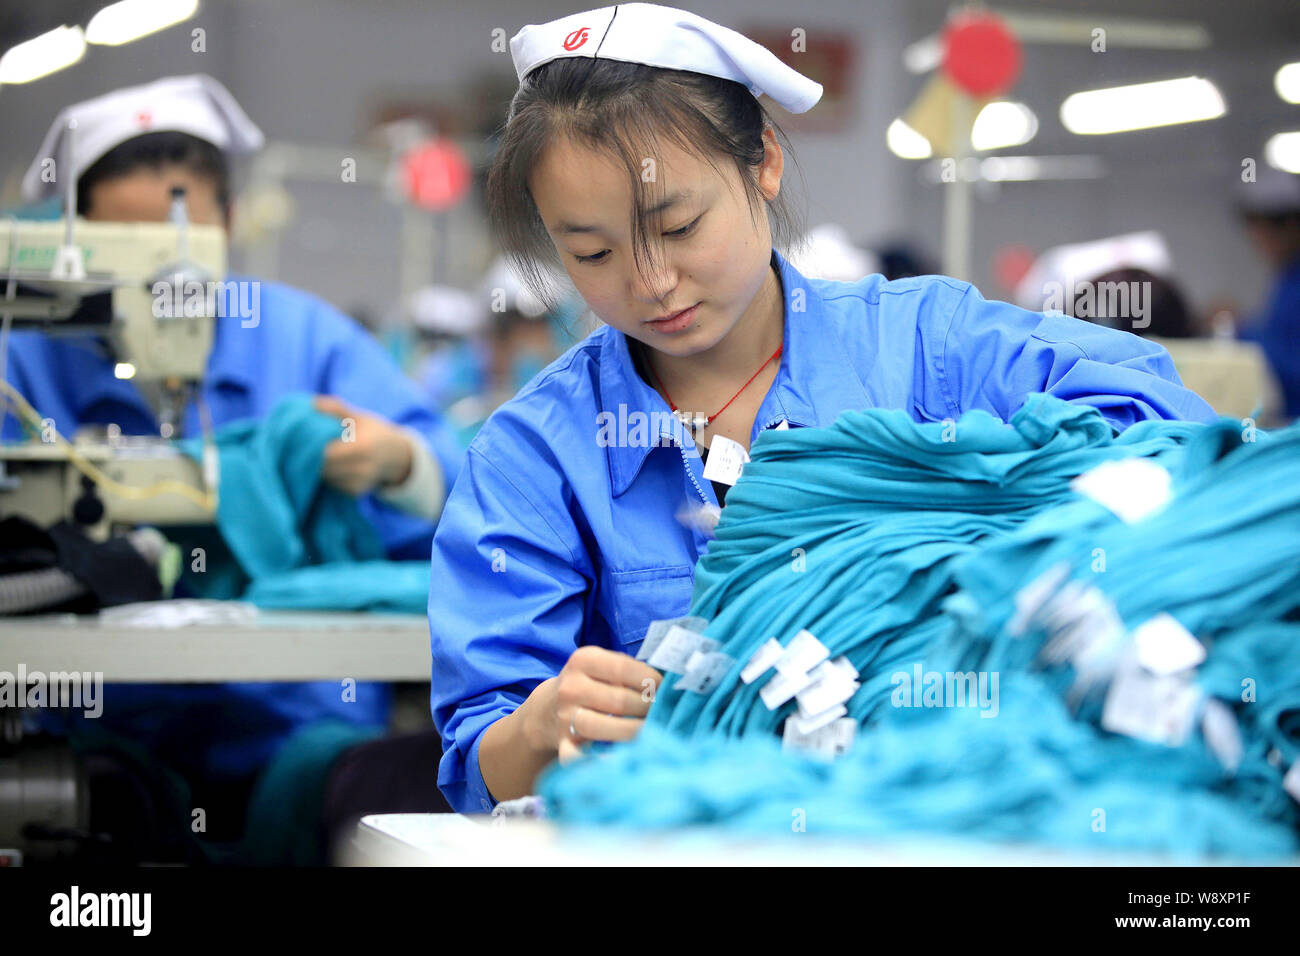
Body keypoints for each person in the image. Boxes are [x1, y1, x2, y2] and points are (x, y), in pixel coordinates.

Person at [426, 3, 1217, 814]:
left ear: (763, 163)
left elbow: (1170, 427)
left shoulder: (929, 346)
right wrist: (540, 729)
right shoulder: (536, 455)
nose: (651, 280)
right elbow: (478, 759)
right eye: (592, 252)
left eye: (678, 224)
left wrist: (932, 502)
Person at [2, 75, 463, 855]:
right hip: (91, 734)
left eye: (178, 260)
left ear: (231, 221)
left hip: (294, 731)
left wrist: (401, 463)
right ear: (78, 242)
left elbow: (467, 489)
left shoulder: (303, 341)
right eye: (129, 260)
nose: (161, 293)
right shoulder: (22, 366)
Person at [1237, 166, 1300, 421]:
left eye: (1262, 233)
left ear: (1291, 225)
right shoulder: (1286, 280)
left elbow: (1288, 360)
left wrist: (1242, 331)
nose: (1259, 244)